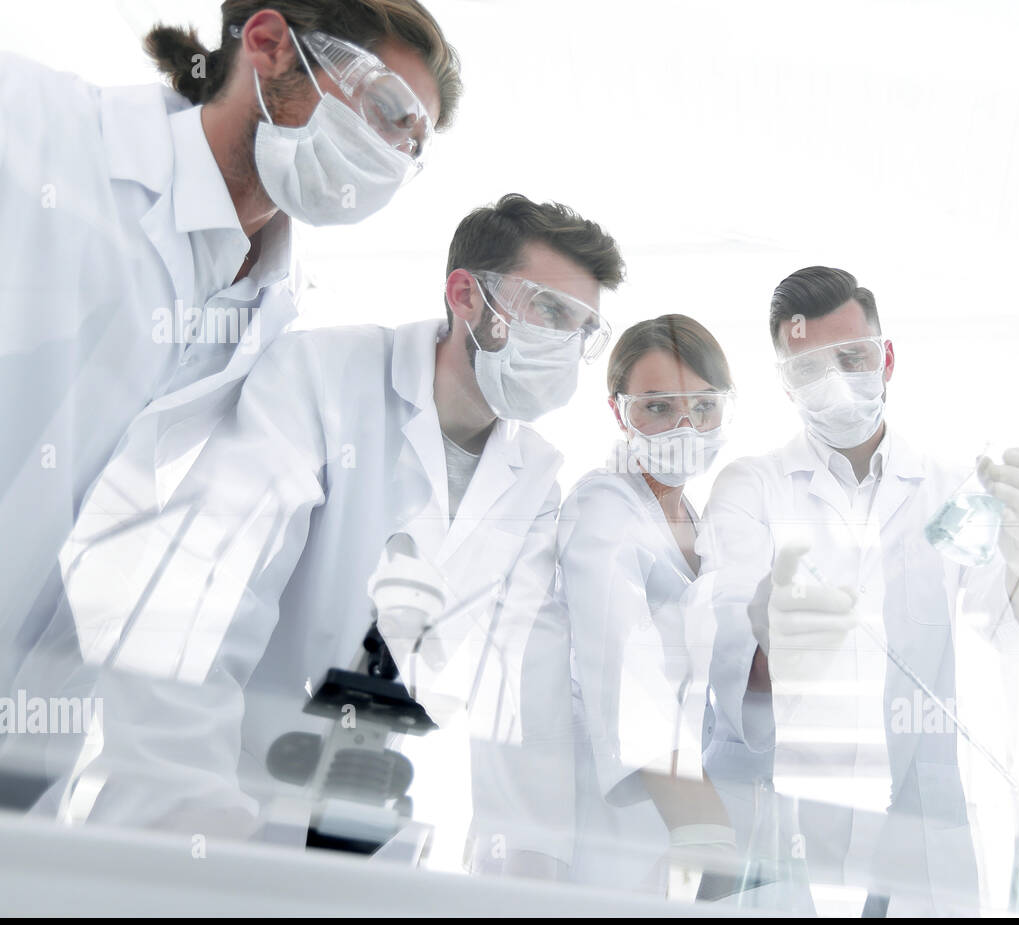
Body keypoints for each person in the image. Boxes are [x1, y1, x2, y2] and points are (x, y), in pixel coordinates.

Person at [25, 195, 625, 883]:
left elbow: (524, 692)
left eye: (583, 329)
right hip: (213, 789)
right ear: (466, 294)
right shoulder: (327, 376)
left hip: (354, 815)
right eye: (549, 309)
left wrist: (529, 870)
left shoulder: (534, 482)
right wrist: (192, 810)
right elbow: (203, 593)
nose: (566, 344)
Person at [0, 2, 461, 722]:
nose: (391, 157)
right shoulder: (30, 123)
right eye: (384, 109)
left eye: (411, 144)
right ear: (270, 43)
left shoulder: (280, 322)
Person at [694, 266, 1019, 915]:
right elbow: (725, 636)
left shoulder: (950, 491)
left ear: (885, 359)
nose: (833, 385)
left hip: (917, 822)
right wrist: (770, 624)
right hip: (783, 815)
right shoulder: (752, 487)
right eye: (808, 369)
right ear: (784, 384)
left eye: (850, 358)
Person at [557, 314, 738, 897]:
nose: (686, 427)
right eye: (658, 408)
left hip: (672, 807)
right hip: (609, 798)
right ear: (619, 411)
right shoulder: (603, 506)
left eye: (703, 407)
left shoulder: (699, 520)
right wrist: (708, 828)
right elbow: (626, 668)